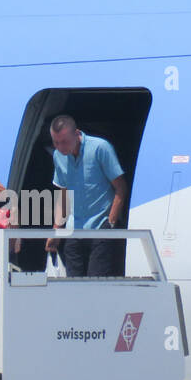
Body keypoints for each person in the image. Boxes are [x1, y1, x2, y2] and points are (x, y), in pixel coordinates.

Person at [45, 115, 129, 278]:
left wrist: (110, 223)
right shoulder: (58, 156)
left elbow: (121, 188)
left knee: (95, 280)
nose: (60, 147)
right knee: (73, 283)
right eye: (56, 142)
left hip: (100, 227)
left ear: (76, 134)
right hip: (74, 228)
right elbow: (64, 193)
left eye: (64, 142)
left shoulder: (100, 148)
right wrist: (56, 231)